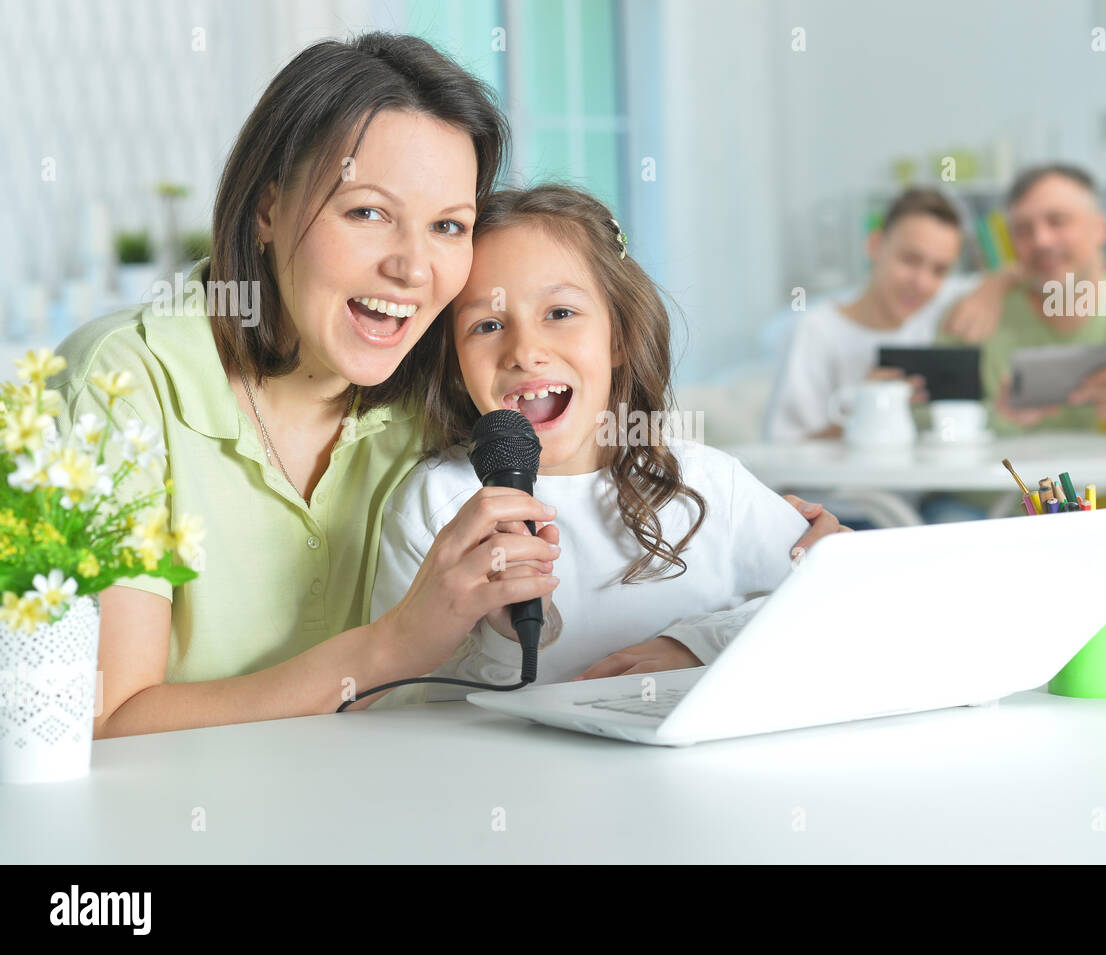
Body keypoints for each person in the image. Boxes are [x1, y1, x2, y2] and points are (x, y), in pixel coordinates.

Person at [49, 33, 844, 739]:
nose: (414, 268)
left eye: (448, 225)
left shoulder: (430, 382)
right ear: (267, 207)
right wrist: (395, 645)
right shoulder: (128, 384)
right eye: (367, 212)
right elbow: (109, 722)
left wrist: (782, 543)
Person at [368, 185, 813, 702]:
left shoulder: (713, 484)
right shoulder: (433, 504)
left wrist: (696, 646)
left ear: (619, 337)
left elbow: (835, 607)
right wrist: (502, 637)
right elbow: (401, 701)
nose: (526, 352)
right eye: (488, 325)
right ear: (455, 363)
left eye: (559, 313)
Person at [931, 163, 1106, 613]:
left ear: (1101, 228)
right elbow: (924, 428)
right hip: (992, 515)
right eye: (1023, 230)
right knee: (943, 531)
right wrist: (998, 423)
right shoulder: (973, 317)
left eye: (1058, 221)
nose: (1041, 241)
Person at [763, 188, 965, 441]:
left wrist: (996, 287)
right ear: (875, 246)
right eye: (910, 260)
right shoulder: (816, 331)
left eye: (939, 270)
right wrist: (863, 408)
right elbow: (783, 453)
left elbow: (1007, 276)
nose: (922, 282)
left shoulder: (938, 314)